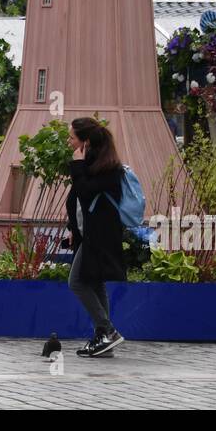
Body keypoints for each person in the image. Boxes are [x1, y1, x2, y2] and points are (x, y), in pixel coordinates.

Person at [65, 116, 128, 357]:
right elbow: (79, 201)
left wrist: (77, 165)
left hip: (101, 233)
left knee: (77, 282)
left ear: (86, 141)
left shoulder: (108, 166)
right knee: (94, 281)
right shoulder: (93, 160)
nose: (69, 142)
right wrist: (74, 228)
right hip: (89, 231)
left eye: (72, 137)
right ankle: (103, 342)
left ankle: (108, 331)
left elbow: (85, 191)